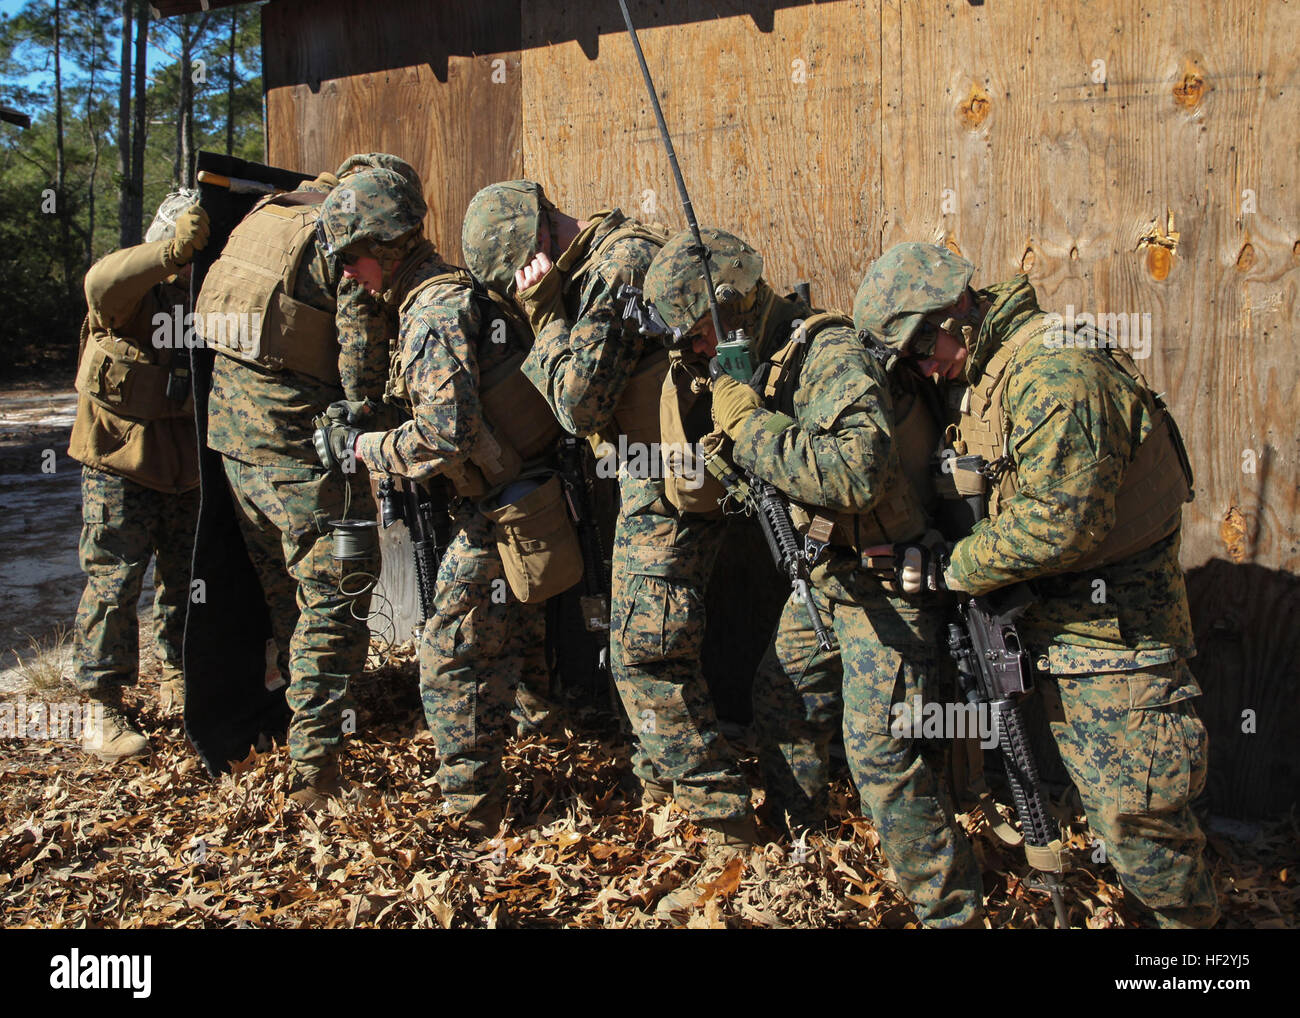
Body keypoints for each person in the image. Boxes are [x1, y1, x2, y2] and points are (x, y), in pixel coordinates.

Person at [854, 241, 1217, 928]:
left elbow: (1061, 525)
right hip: (1061, 637)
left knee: (1141, 833)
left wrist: (947, 569)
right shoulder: (986, 375)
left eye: (919, 348)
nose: (920, 367)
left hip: (1118, 647)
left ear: (956, 313)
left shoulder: (1056, 375)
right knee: (1117, 825)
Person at [641, 228, 983, 927]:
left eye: (700, 334)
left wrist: (750, 429)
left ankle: (952, 914)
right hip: (834, 573)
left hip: (890, 579)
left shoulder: (829, 357)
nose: (698, 353)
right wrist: (732, 445)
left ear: (731, 308)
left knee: (885, 760)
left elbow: (857, 476)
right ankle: (805, 854)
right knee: (781, 699)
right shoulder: (761, 364)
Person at [460, 182, 757, 844]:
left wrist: (544, 317)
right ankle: (663, 796)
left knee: (647, 658)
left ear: (536, 244)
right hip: (648, 476)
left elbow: (578, 407)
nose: (520, 289)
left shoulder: (618, 268)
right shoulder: (599, 265)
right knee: (642, 644)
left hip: (671, 478)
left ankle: (726, 830)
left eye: (515, 277)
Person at [313, 158, 568, 836]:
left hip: (500, 507)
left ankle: (472, 814)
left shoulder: (430, 312)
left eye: (354, 256)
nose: (347, 274)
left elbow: (445, 437)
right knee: (510, 640)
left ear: (390, 245)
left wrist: (367, 450)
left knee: (449, 657)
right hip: (508, 499)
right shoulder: (435, 295)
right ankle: (546, 746)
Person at [194, 161, 390, 809]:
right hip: (297, 444)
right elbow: (363, 374)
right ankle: (316, 770)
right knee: (340, 588)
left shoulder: (265, 215)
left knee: (291, 590)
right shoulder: (344, 234)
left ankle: (298, 712)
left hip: (232, 440)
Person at [70, 190, 209, 762]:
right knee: (114, 584)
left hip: (185, 469)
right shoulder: (127, 295)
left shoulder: (206, 296)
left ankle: (179, 674)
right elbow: (99, 283)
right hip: (119, 465)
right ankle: (99, 703)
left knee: (186, 582)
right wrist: (166, 252)